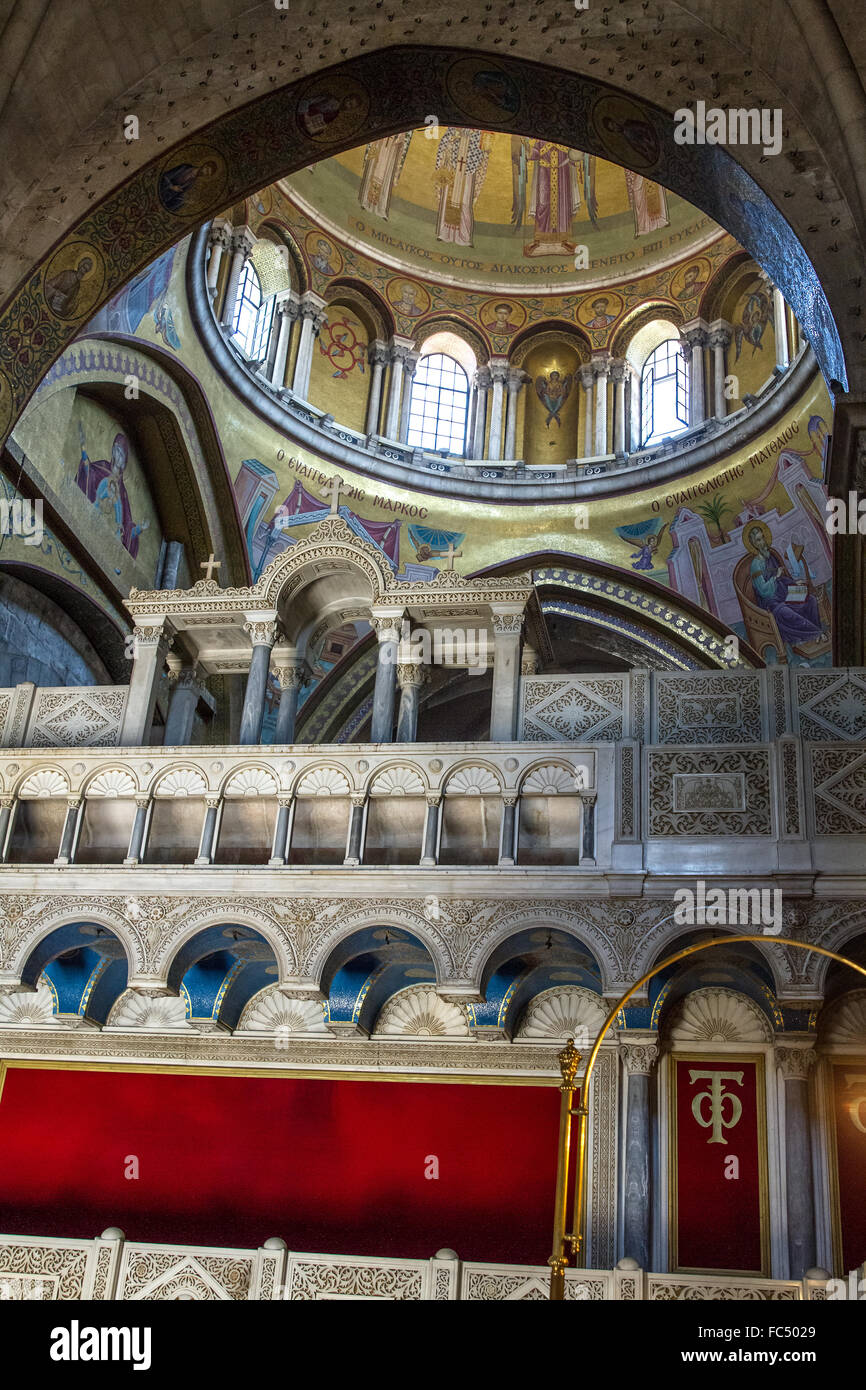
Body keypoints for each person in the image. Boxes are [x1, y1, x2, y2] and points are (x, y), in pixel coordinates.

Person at [746, 522, 825, 658]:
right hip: (771, 602)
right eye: (758, 540)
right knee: (785, 612)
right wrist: (775, 577)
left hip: (784, 592)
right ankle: (816, 633)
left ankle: (815, 634)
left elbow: (784, 577)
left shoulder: (771, 556)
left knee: (809, 599)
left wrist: (795, 583)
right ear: (753, 544)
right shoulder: (755, 565)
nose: (762, 542)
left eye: (762, 537)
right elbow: (763, 591)